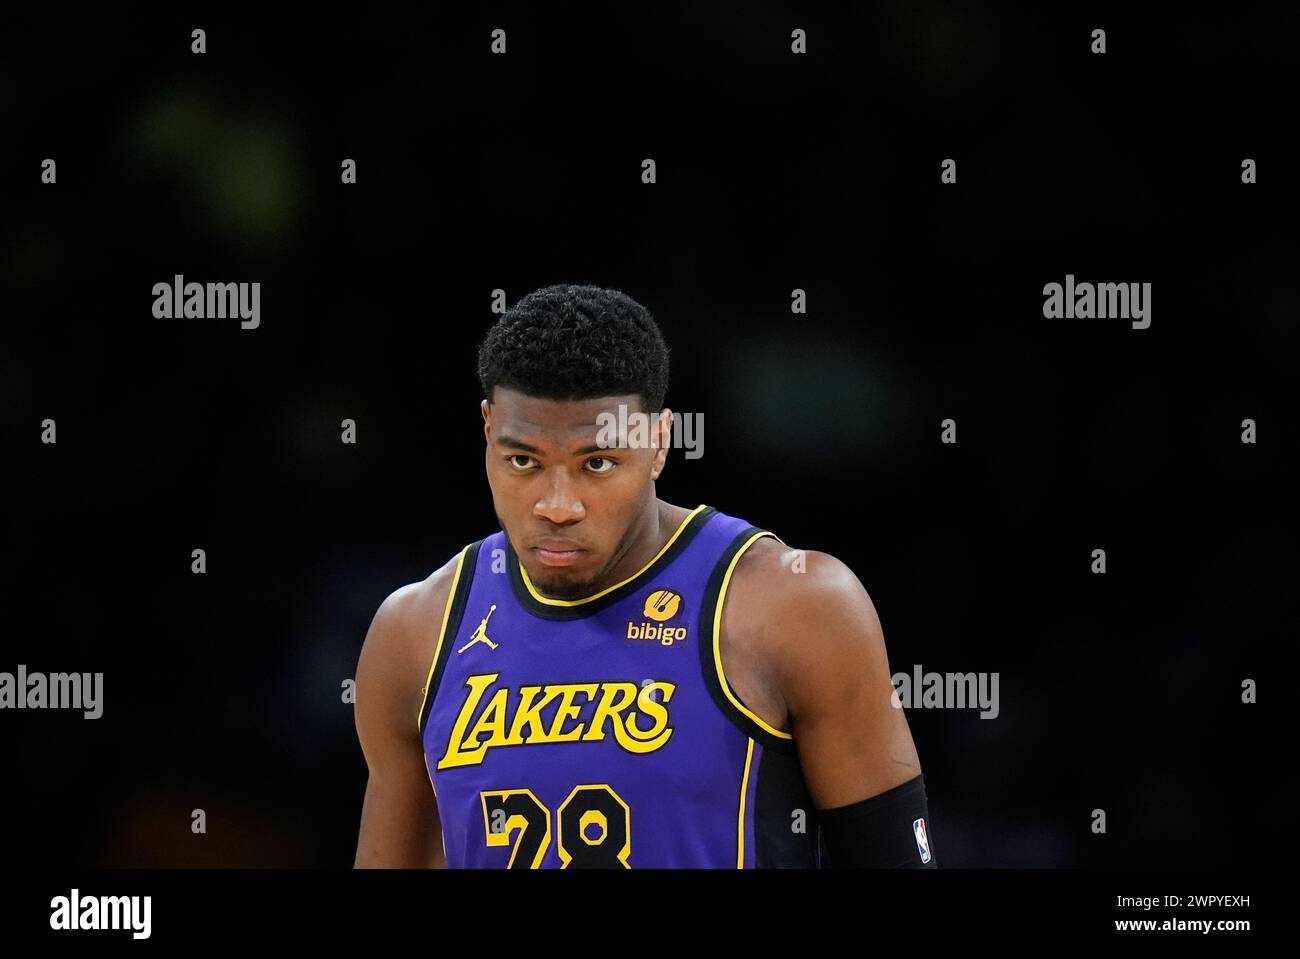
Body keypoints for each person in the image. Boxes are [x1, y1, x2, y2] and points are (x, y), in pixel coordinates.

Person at [353, 283, 935, 868]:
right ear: (487, 431)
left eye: (597, 463)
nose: (558, 505)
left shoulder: (795, 606)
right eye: (523, 461)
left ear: (659, 442)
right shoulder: (415, 633)